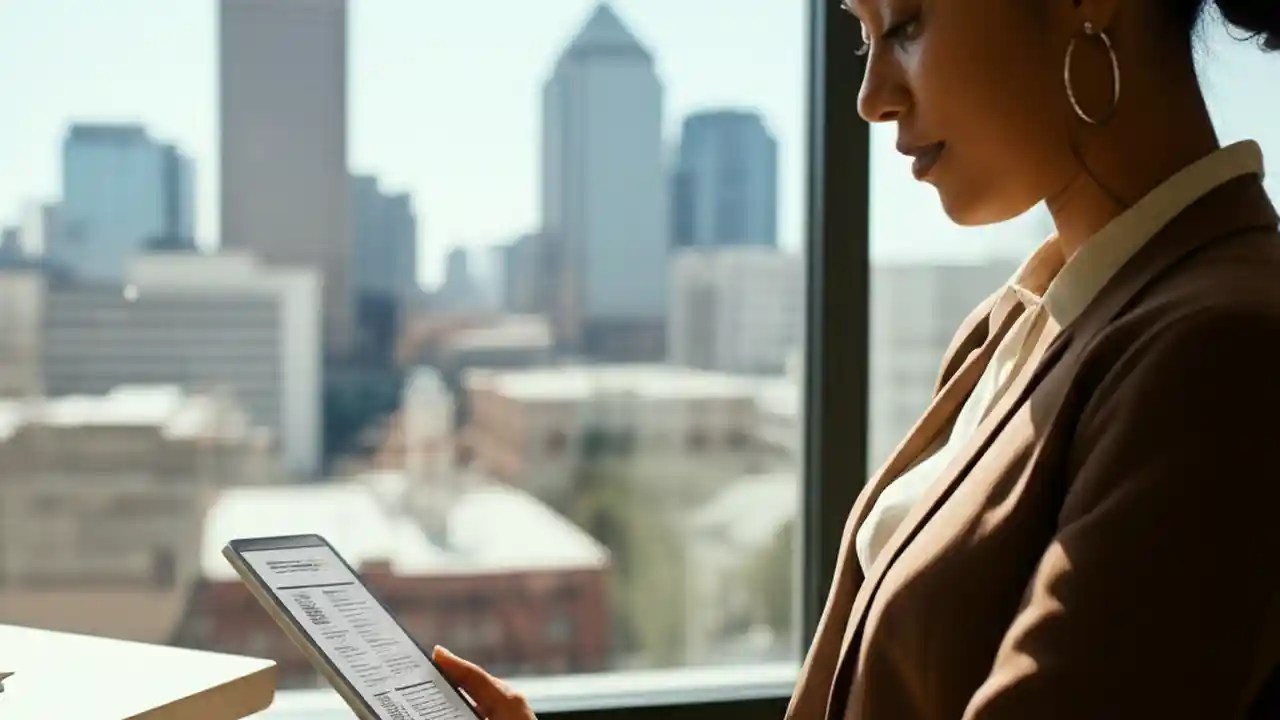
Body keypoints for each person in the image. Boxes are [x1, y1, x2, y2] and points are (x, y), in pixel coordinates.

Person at [432, 0, 1280, 715]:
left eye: (906, 24)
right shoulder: (1017, 326)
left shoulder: (1223, 354)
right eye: (861, 35)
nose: (871, 97)